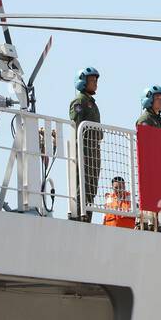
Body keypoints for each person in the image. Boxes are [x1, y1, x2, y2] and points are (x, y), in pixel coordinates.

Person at [69, 67, 102, 222]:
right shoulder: (79, 101)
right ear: (83, 81)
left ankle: (87, 216)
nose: (95, 83)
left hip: (94, 150)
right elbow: (76, 125)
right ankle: (78, 215)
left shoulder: (92, 103)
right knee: (81, 184)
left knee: (91, 186)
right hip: (84, 150)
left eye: (96, 80)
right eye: (92, 80)